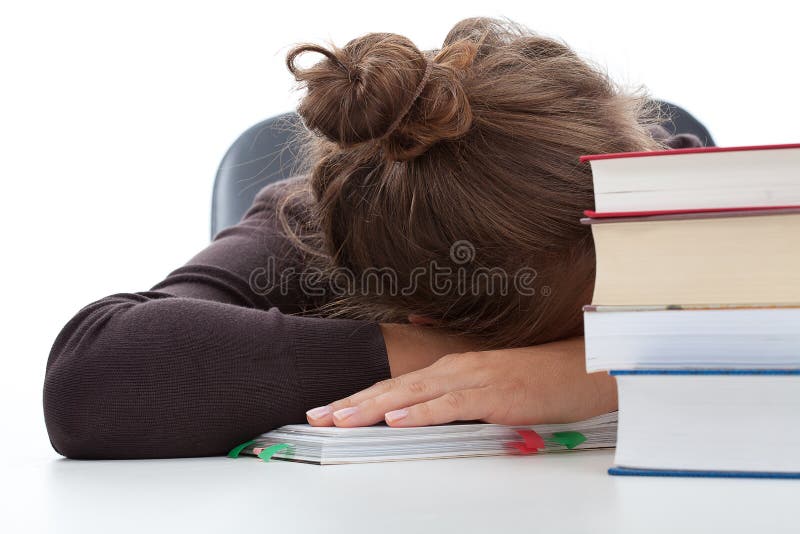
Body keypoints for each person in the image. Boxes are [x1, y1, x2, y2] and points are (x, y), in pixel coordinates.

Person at [43, 17, 701, 459]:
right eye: (586, 316)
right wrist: (443, 357)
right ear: (428, 310)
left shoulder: (678, 191)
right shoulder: (308, 232)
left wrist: (605, 366)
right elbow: (91, 374)